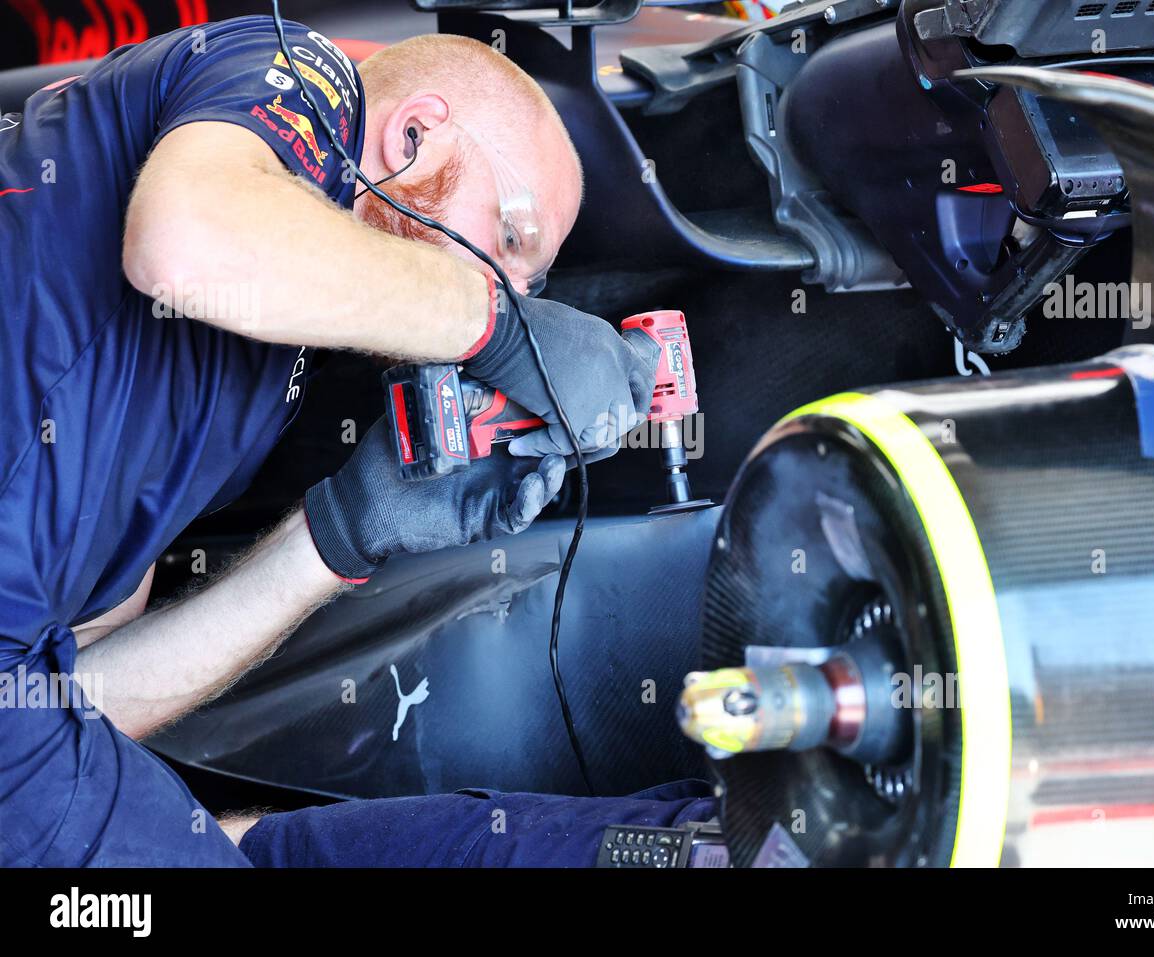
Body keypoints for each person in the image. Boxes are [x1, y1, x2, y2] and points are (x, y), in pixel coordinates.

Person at [0, 14, 660, 866]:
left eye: (526, 281)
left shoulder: (258, 394)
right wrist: (497, 326)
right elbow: (187, 240)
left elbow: (80, 702)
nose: (511, 285)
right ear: (412, 132)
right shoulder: (296, 71)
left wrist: (339, 534)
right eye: (508, 242)